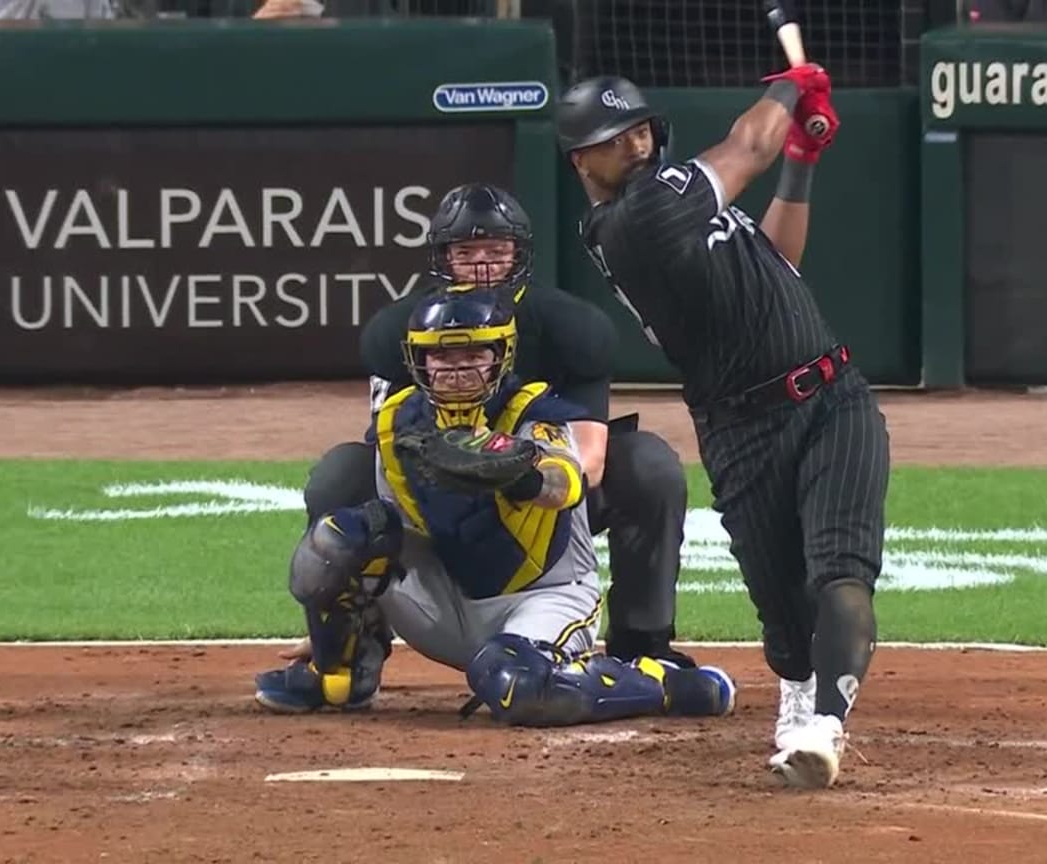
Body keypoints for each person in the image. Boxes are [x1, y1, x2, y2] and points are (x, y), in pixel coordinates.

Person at [555, 67, 891, 788]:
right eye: (617, 138)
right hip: (743, 432)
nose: (638, 142)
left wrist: (802, 159)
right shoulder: (639, 217)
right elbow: (748, 146)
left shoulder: (673, 202)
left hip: (836, 399)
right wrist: (792, 89)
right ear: (583, 160)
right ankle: (799, 693)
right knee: (783, 616)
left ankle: (825, 726)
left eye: (641, 126)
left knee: (840, 573)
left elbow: (779, 259)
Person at [252, 285, 735, 727]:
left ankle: (661, 684)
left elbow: (565, 482)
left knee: (524, 690)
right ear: (417, 360)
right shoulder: (396, 420)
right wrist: (344, 600)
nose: (457, 368)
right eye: (441, 355)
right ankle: (340, 674)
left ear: (501, 356)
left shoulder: (532, 409)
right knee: (336, 542)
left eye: (473, 353)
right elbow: (386, 526)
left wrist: (513, 472)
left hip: (542, 594)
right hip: (441, 597)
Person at [291, 183, 694, 677]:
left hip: (542, 484)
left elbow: (589, 460)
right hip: (435, 482)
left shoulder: (570, 326)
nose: (482, 265)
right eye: (466, 252)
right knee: (340, 477)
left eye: (496, 251)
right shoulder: (395, 331)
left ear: (518, 255)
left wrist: (517, 473)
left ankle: (641, 644)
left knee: (649, 466)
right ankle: (350, 642)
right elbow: (388, 457)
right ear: (443, 258)